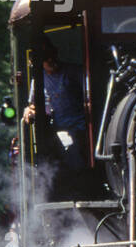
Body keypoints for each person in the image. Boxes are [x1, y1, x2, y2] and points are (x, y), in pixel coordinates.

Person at [22, 39, 88, 171]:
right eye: (46, 57)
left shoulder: (74, 72)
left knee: (72, 149)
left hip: (81, 127)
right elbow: (34, 105)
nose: (51, 60)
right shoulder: (38, 81)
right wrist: (29, 110)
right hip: (58, 129)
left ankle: (80, 175)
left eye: (52, 55)